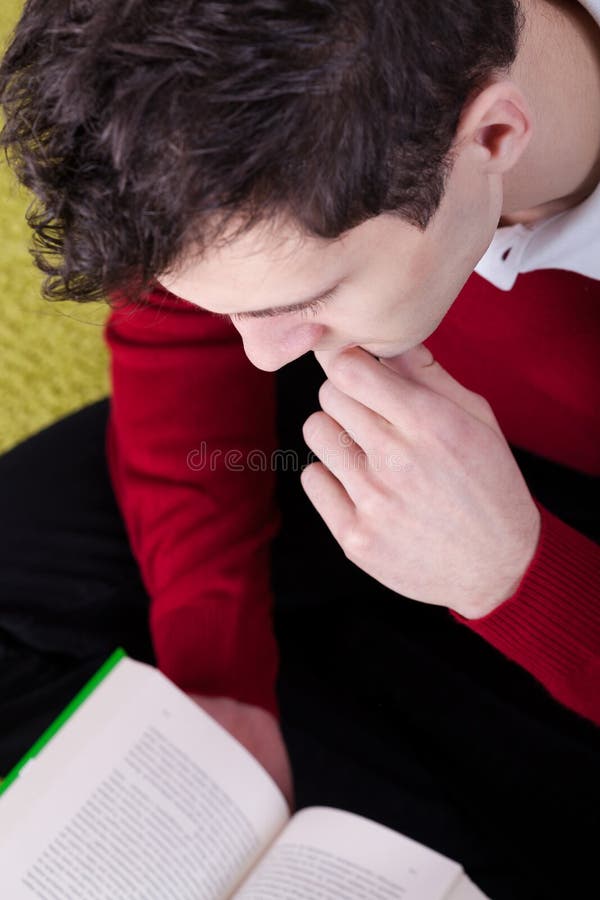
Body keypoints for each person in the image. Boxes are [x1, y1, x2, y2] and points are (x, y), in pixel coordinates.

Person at [0, 1, 598, 896]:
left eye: (296, 299)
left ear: (496, 134)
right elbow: (183, 321)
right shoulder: (244, 90)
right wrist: (217, 661)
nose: (256, 349)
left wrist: (517, 576)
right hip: (334, 452)